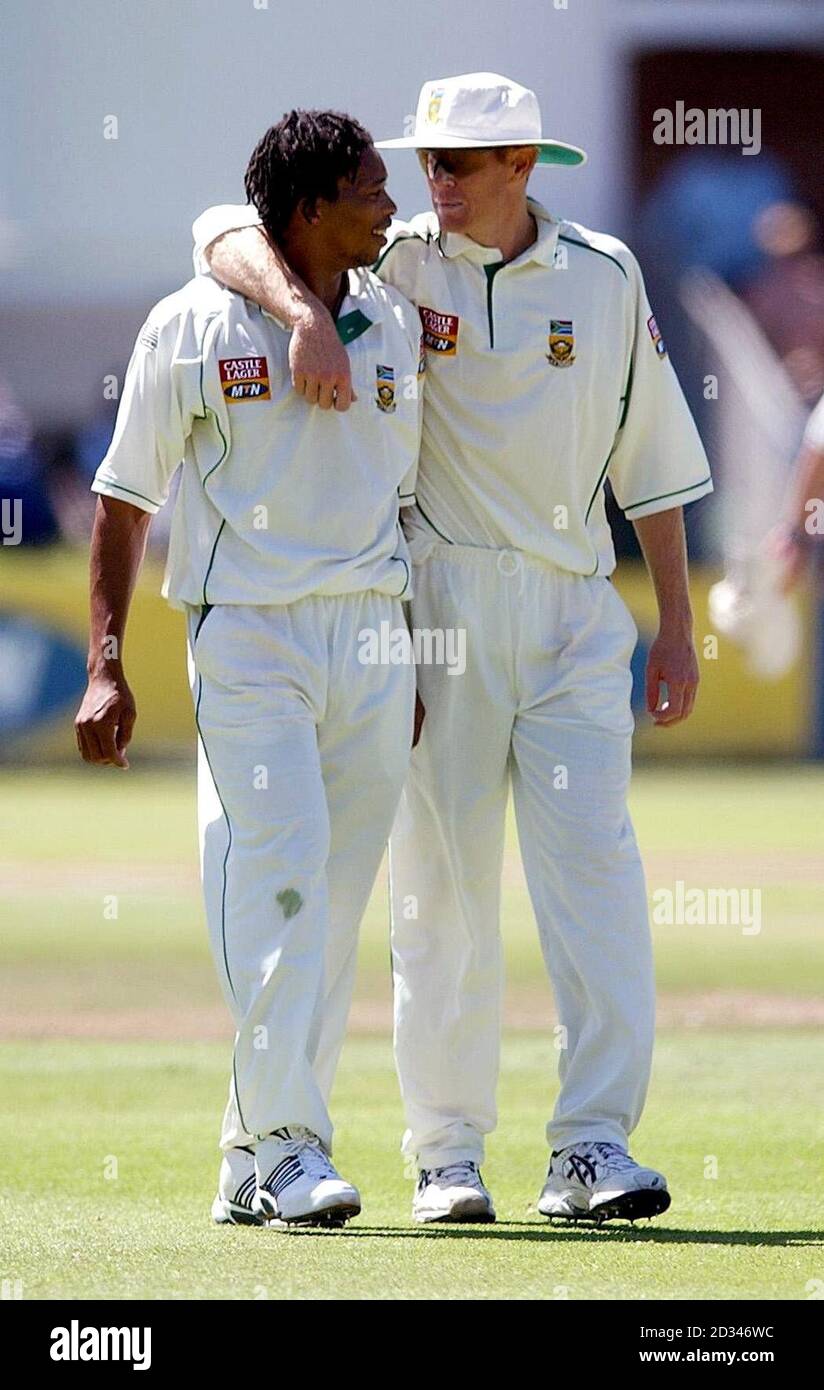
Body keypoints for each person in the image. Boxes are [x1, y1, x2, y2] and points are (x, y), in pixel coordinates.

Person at [194, 72, 712, 1226]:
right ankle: (446, 1156)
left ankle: (589, 1145)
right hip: (433, 604)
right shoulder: (395, 262)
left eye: (460, 164)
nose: (434, 184)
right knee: (440, 894)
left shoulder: (606, 273)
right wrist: (306, 313)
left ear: (523, 165)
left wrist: (677, 623)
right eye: (425, 162)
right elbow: (220, 228)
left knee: (595, 880)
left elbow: (654, 461)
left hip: (576, 608)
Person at [74, 110, 423, 1228]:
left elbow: (402, 502)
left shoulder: (394, 319)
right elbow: (125, 502)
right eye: (370, 187)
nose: (391, 203)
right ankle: (288, 1145)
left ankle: (247, 1154)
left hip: (369, 632)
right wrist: (107, 665)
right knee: (276, 878)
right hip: (251, 634)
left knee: (327, 906)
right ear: (312, 205)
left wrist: (406, 647)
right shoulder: (188, 322)